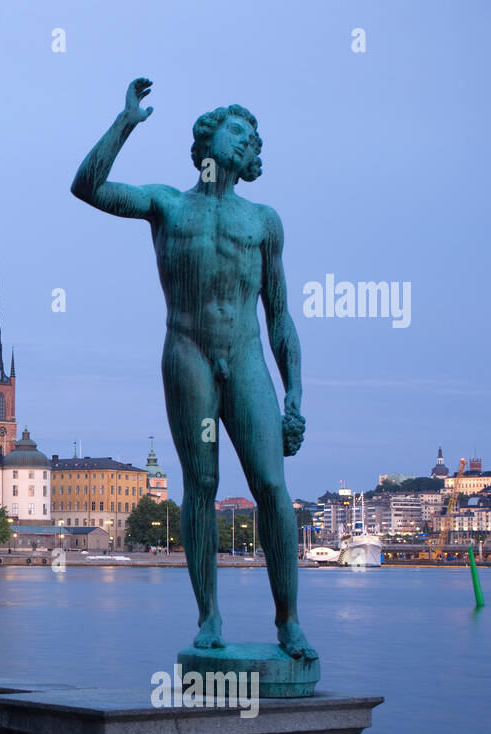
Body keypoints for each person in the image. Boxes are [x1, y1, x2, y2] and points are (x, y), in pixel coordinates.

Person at [71, 78, 315, 660]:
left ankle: (289, 622)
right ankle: (209, 618)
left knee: (273, 489)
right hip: (188, 354)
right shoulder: (167, 204)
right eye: (238, 129)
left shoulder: (264, 221)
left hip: (248, 357)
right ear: (209, 139)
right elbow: (88, 186)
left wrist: (295, 397)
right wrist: (125, 122)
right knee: (200, 485)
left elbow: (280, 318)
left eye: (251, 136)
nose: (246, 139)